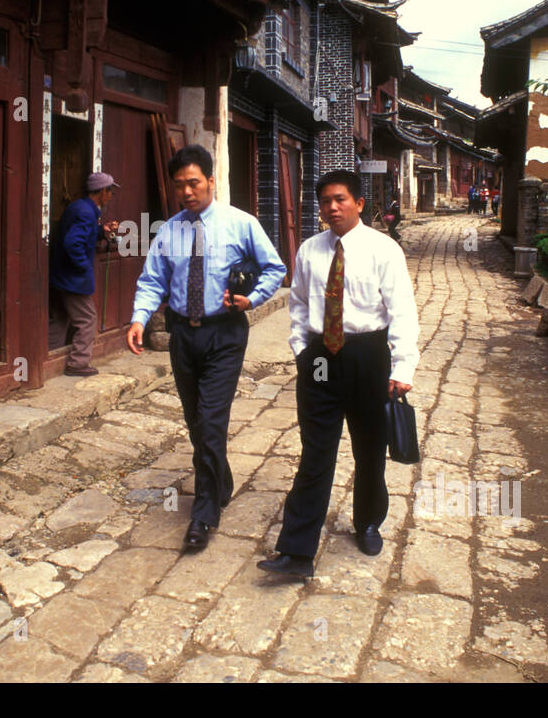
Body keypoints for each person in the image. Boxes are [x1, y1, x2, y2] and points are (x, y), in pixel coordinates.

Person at [258, 169, 420, 578]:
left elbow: (402, 309)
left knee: (369, 449)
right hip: (319, 358)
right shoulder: (310, 250)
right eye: (326, 201)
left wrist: (402, 366)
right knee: (315, 453)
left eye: (341, 200)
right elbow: (296, 303)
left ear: (360, 203)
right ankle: (296, 552)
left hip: (369, 356)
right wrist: (300, 349)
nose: (332, 208)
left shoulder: (384, 250)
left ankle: (367, 522)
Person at [126, 144, 286, 551]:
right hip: (184, 335)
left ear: (212, 181)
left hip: (225, 334)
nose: (187, 192)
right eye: (179, 185)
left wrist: (253, 298)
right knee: (196, 421)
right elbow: (152, 281)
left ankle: (204, 514)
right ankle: (222, 480)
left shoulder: (240, 224)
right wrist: (140, 318)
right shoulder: (169, 231)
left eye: (194, 183)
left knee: (212, 420)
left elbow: (275, 267)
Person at [48, 172, 120, 377]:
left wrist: (101, 231)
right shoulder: (86, 212)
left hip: (60, 276)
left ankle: (51, 357)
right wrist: (82, 268)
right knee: (88, 319)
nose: (111, 195)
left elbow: (82, 234)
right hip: (72, 279)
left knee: (60, 317)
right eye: (110, 191)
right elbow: (73, 243)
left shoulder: (81, 207)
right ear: (102, 192)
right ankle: (78, 363)